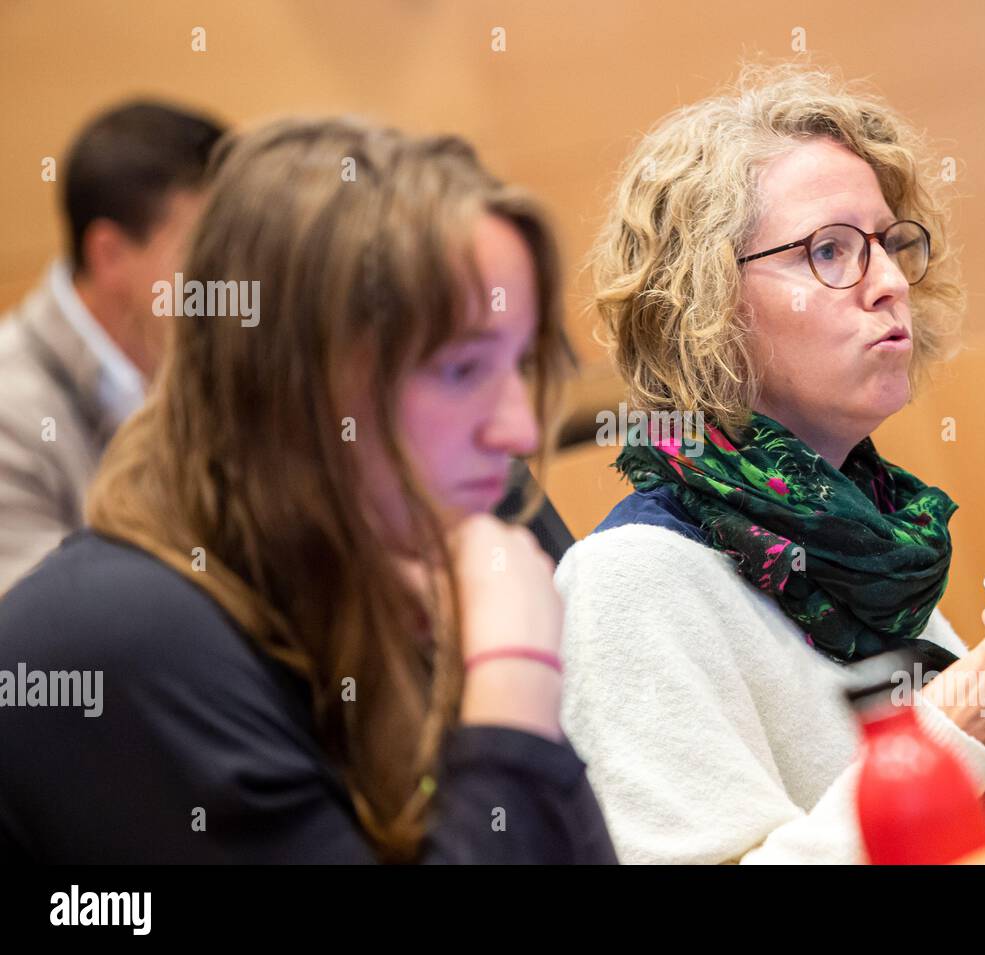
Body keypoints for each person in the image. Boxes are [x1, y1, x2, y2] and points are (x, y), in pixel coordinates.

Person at [556, 64, 985, 863]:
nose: (887, 284)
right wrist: (955, 731)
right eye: (829, 251)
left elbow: (951, 826)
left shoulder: (858, 524)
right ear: (703, 303)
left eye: (889, 243)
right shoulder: (631, 581)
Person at [0, 117, 616, 864]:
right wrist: (512, 691)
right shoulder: (110, 635)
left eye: (519, 364)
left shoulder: (441, 540)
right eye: (460, 371)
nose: (519, 431)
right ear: (292, 389)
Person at [0, 101, 224, 594]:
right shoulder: (10, 411)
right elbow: (42, 634)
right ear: (110, 254)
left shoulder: (204, 367)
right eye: (205, 255)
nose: (228, 285)